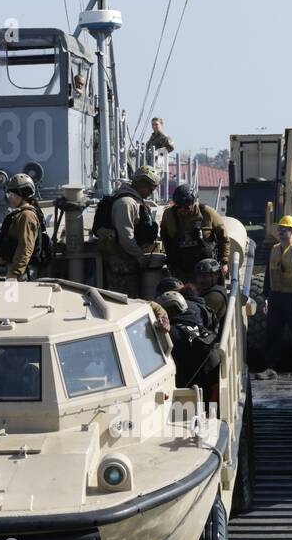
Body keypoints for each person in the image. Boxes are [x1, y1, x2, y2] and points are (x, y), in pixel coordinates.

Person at [257, 215, 292, 380]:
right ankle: (270, 368)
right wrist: (266, 298)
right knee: (272, 332)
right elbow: (269, 276)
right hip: (276, 297)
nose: (281, 232)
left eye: (285, 230)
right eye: (280, 229)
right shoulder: (274, 250)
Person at [94, 165, 162, 298]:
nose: (150, 191)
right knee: (125, 300)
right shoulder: (126, 203)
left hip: (126, 260)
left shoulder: (133, 200)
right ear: (142, 184)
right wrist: (140, 256)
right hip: (122, 262)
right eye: (150, 187)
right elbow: (126, 236)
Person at [160, 184, 228, 284]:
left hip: (207, 269)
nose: (183, 210)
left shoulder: (208, 213)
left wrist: (224, 262)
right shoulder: (169, 215)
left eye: (187, 208)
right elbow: (165, 237)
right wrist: (170, 258)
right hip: (180, 268)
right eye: (179, 207)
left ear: (195, 203)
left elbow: (224, 238)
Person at [157, 290, 219, 393]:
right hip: (215, 374)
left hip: (200, 384)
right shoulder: (197, 324)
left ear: (167, 312)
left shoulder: (171, 332)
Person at [0, 173, 44, 280]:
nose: (9, 198)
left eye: (12, 195)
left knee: (15, 297)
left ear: (22, 195)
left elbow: (25, 247)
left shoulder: (27, 215)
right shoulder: (19, 214)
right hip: (15, 268)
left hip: (21, 272)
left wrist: (15, 272)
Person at [193, 258, 228, 322]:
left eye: (205, 276)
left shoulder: (215, 296)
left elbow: (200, 319)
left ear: (216, 275)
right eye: (199, 276)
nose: (201, 280)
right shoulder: (206, 290)